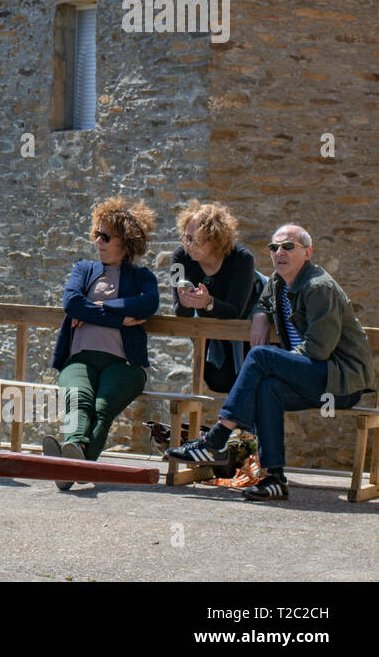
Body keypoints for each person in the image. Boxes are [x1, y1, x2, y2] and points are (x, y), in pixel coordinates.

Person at [167, 224, 375, 500]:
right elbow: (262, 303)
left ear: (308, 253)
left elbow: (318, 351)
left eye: (288, 246)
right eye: (274, 247)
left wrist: (276, 364)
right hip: (313, 378)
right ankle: (274, 478)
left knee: (261, 357)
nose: (279, 252)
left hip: (340, 382)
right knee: (267, 389)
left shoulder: (318, 287)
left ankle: (216, 438)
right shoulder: (278, 282)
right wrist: (261, 317)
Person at [44, 196, 159, 490]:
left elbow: (147, 304)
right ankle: (78, 458)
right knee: (77, 401)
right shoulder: (84, 269)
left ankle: (68, 460)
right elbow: (71, 302)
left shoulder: (143, 276)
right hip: (79, 358)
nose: (98, 241)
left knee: (102, 407)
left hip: (125, 364)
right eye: (97, 234)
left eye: (106, 236)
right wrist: (119, 318)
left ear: (126, 241)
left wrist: (96, 311)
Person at [169, 201, 262, 392]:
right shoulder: (180, 258)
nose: (189, 244)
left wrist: (208, 303)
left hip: (248, 320)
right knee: (216, 380)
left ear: (216, 239)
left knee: (249, 381)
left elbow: (235, 310)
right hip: (209, 322)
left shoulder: (242, 258)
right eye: (186, 237)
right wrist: (187, 303)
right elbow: (180, 312)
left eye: (197, 240)